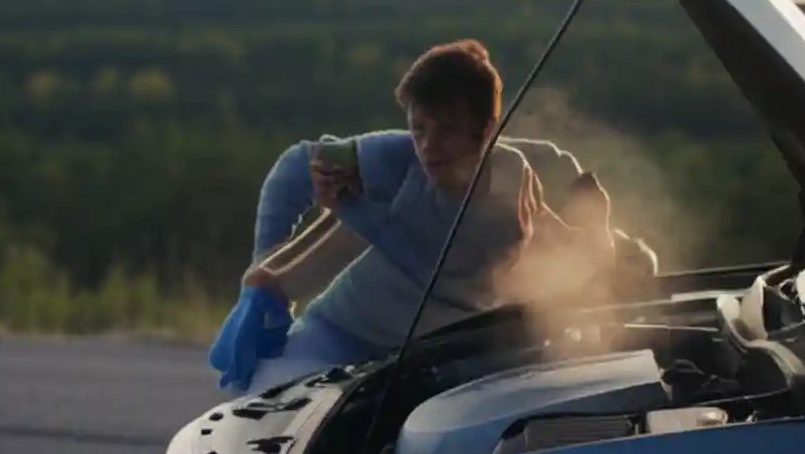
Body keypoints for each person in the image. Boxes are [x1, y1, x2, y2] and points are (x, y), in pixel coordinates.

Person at [215, 39, 560, 394]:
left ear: (487, 131)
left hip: (438, 354)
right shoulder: (398, 157)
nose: (428, 146)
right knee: (268, 401)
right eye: (419, 129)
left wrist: (609, 255)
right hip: (342, 333)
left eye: (447, 130)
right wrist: (265, 275)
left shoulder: (513, 184)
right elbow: (296, 166)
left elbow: (553, 242)